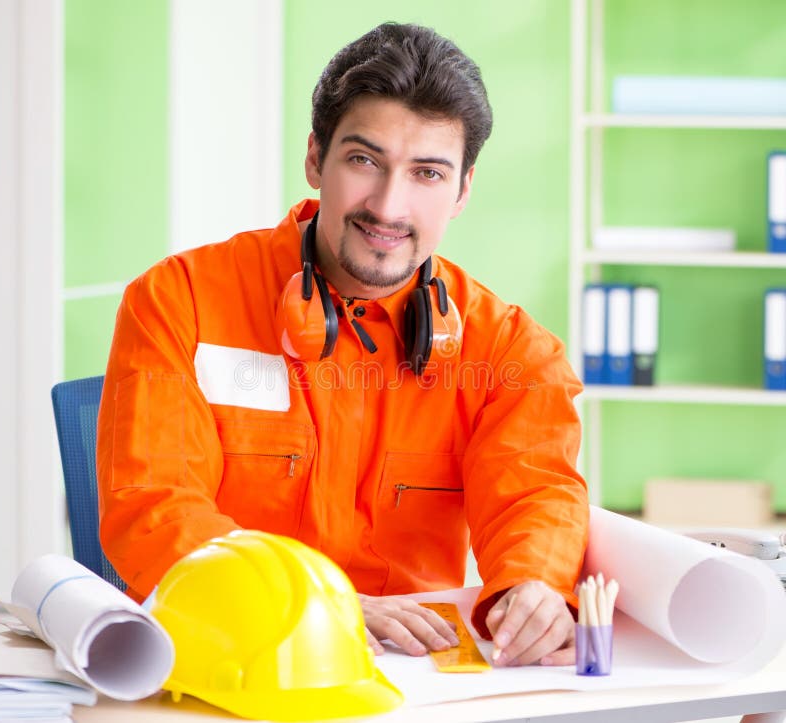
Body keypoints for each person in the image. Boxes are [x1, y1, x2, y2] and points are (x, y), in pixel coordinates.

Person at [96, 21, 589, 667]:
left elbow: (536, 494)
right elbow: (154, 508)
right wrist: (320, 602)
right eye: (364, 160)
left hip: (411, 674)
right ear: (314, 158)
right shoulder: (178, 299)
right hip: (223, 652)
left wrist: (535, 589)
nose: (389, 206)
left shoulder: (512, 351)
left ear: (463, 190)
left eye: (428, 174)